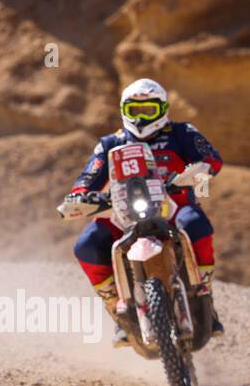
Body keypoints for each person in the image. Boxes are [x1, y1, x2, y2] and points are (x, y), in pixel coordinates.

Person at [61, 78, 223, 346]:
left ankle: (204, 289)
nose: (141, 117)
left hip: (174, 205)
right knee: (86, 244)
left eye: (148, 110)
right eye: (135, 111)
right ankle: (117, 308)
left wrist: (199, 170)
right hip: (124, 214)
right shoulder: (110, 143)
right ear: (124, 110)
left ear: (162, 110)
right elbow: (87, 178)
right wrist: (79, 196)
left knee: (197, 224)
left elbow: (210, 157)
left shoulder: (181, 133)